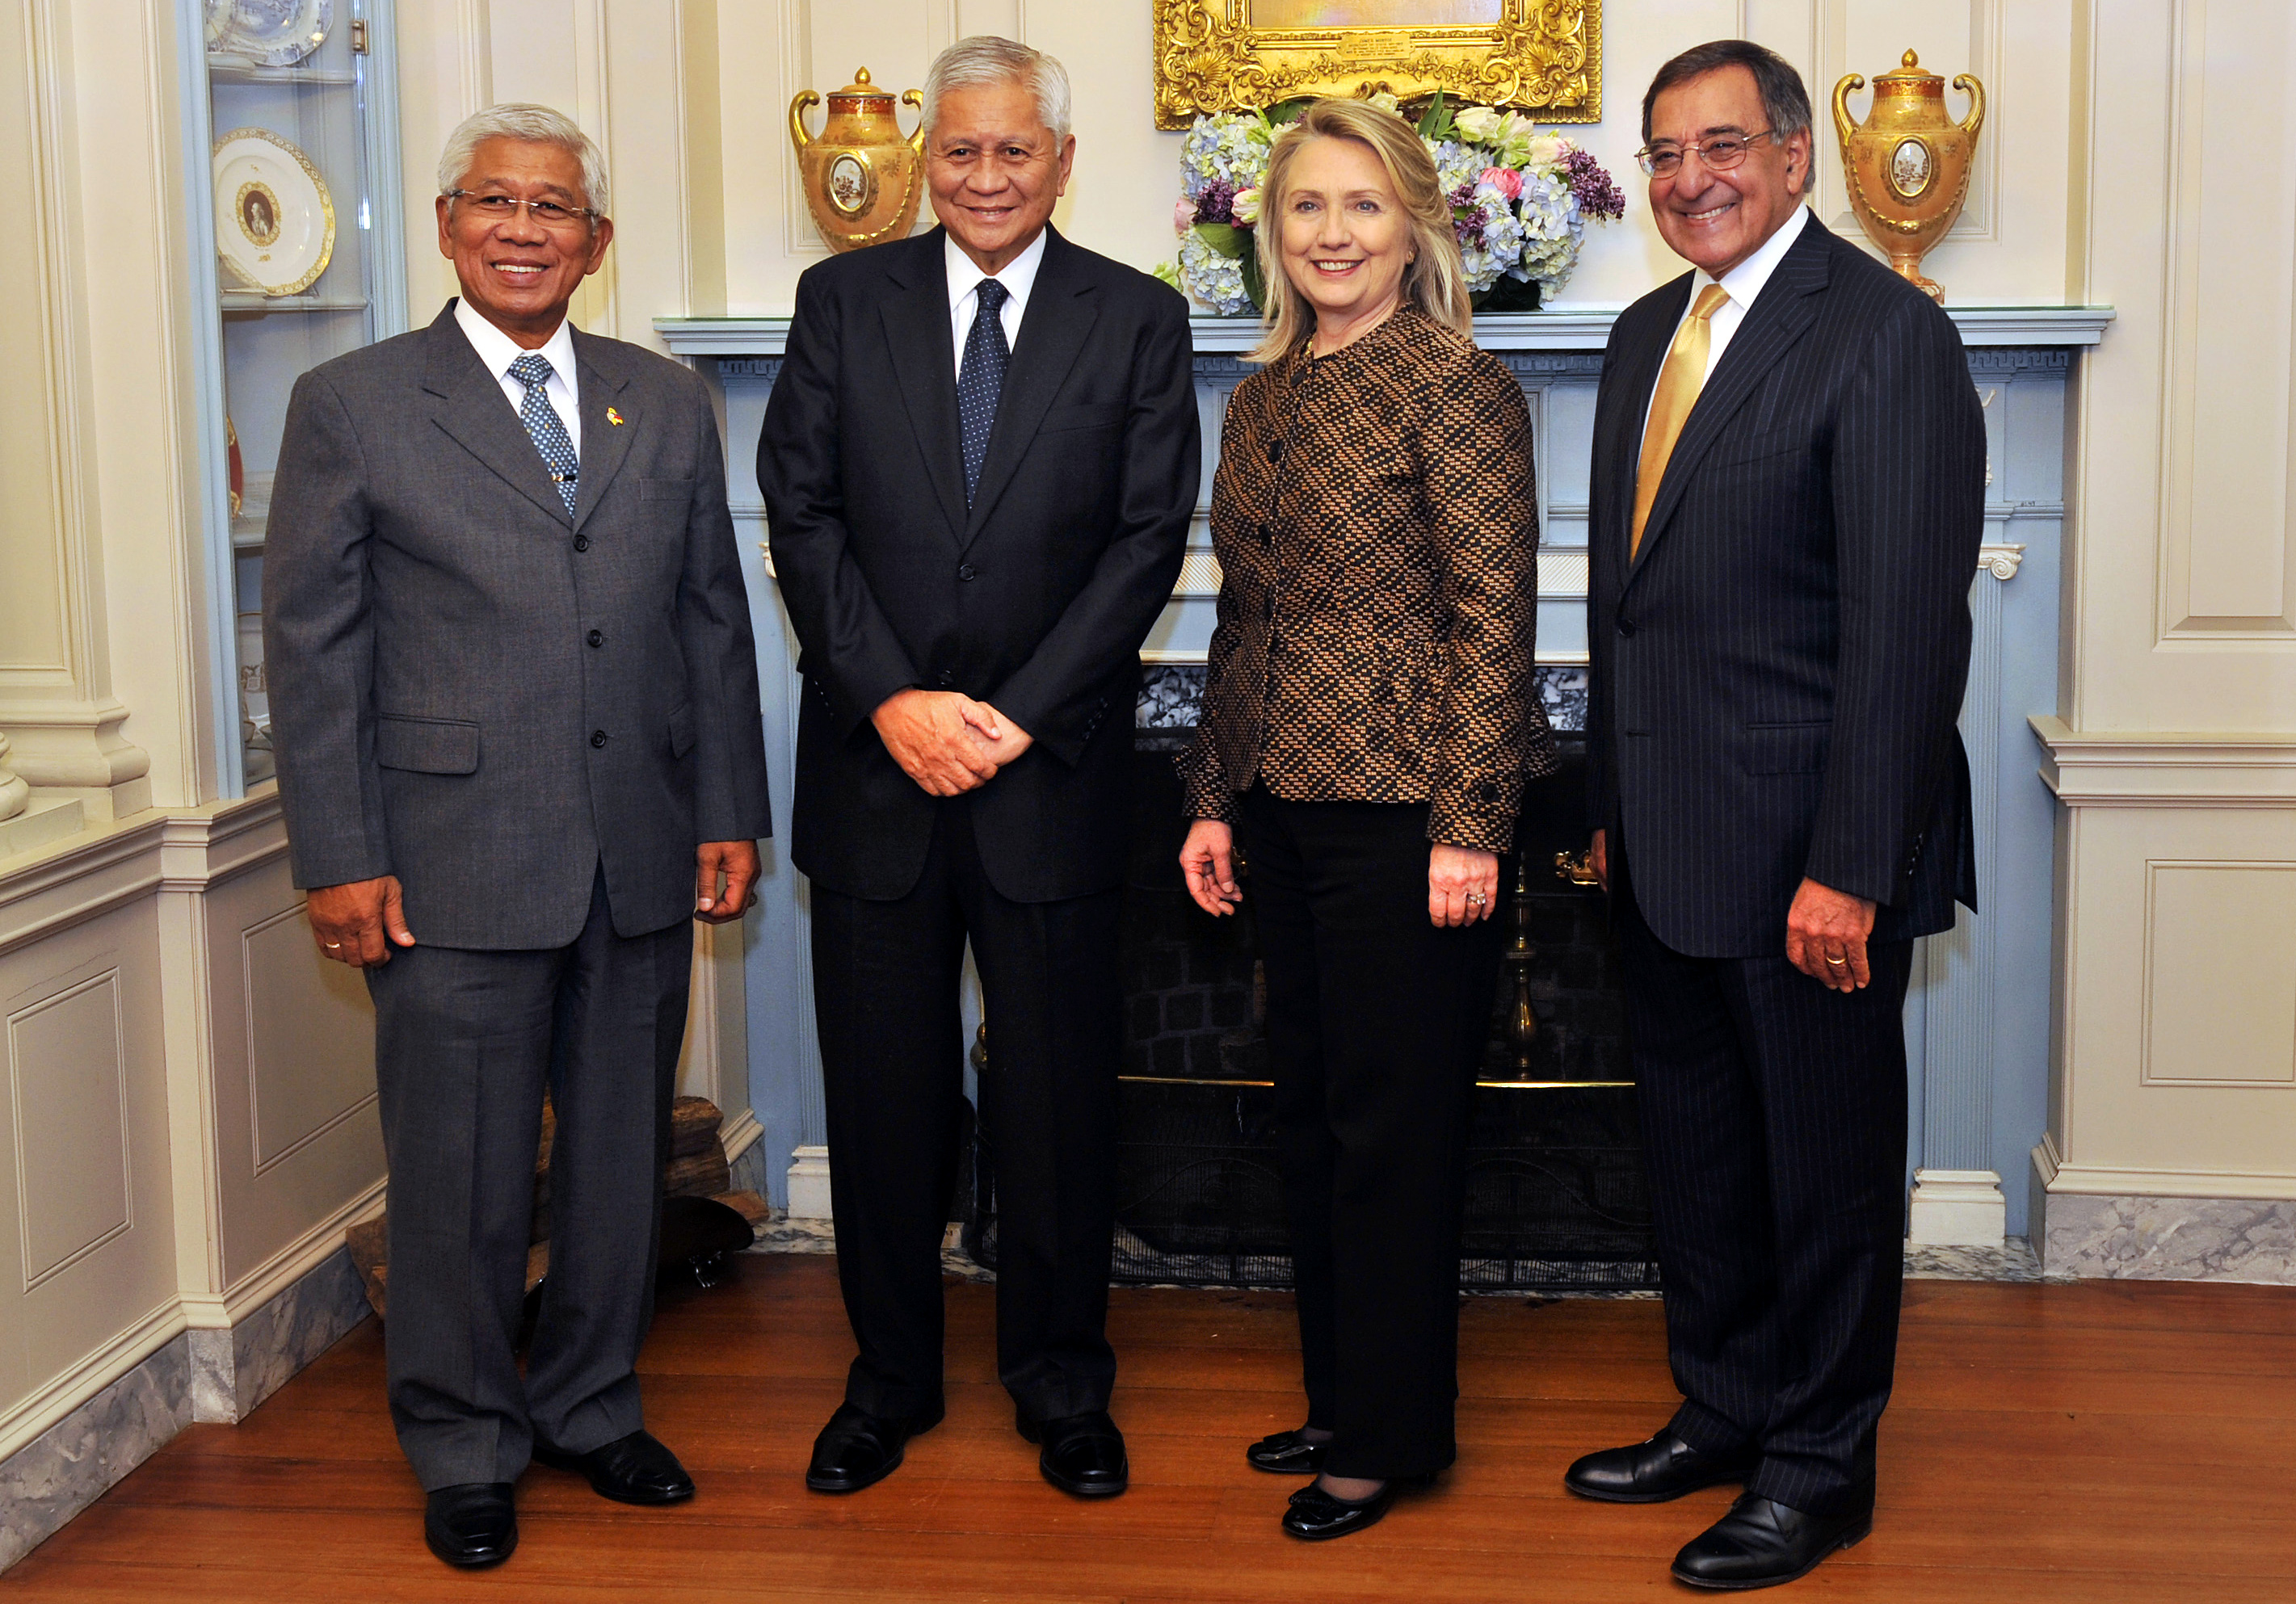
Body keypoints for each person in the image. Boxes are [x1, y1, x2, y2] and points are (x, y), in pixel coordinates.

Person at [263, 105, 772, 1569]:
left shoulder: (662, 400)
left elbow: (711, 624)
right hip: (443, 859)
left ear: (596, 244)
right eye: (497, 200)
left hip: (638, 846)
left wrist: (727, 809)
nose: (526, 227)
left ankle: (592, 1406)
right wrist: (338, 855)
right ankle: (465, 1438)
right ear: (444, 224)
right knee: (461, 1176)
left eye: (557, 208)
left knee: (619, 1160)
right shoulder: (353, 402)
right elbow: (314, 649)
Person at [755, 37, 1200, 1501]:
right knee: (885, 1099)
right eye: (961, 151)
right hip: (876, 776)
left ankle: (1064, 1384)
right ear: (922, 159)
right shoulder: (840, 301)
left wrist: (1007, 716)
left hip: (1049, 770)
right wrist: (893, 703)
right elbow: (800, 515)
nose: (987, 176)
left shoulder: (1135, 318)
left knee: (1060, 1103)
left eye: (1016, 152)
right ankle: (886, 1381)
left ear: (1063, 163)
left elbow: (1145, 542)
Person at [1568, 40, 1984, 1590]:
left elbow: (1904, 635)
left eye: (1724, 146)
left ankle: (1822, 1463)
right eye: (1666, 153)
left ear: (1800, 156)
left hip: (1809, 856)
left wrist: (1851, 869)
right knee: (1700, 1165)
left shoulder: (1884, 336)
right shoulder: (1635, 338)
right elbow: (1631, 614)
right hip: (1664, 847)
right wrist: (1610, 806)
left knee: (1822, 1173)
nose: (1691, 180)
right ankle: (1727, 1405)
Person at [1175, 96, 1554, 1543]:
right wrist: (1213, 797)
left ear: (1415, 227)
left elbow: (1490, 621)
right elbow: (1241, 620)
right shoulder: (1264, 392)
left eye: (1363, 206)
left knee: (1395, 1136)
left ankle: (1390, 1438)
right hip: (1279, 804)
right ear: (1272, 232)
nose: (1332, 234)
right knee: (1320, 1126)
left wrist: (1473, 823)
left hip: (1407, 816)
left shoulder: (1457, 385)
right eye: (1307, 208)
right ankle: (1347, 1396)